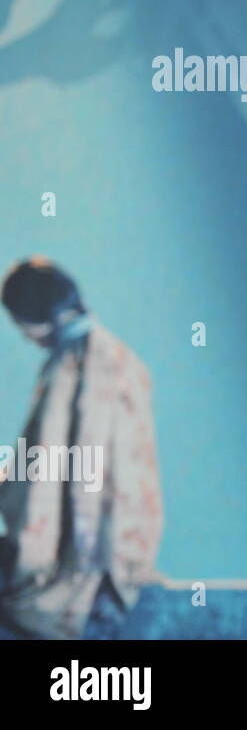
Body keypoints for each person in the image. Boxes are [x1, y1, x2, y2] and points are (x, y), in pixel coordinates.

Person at [0, 256, 163, 639]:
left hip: (75, 572)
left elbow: (44, 479)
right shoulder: (124, 359)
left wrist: (6, 479)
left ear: (33, 318)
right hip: (128, 557)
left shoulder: (68, 371)